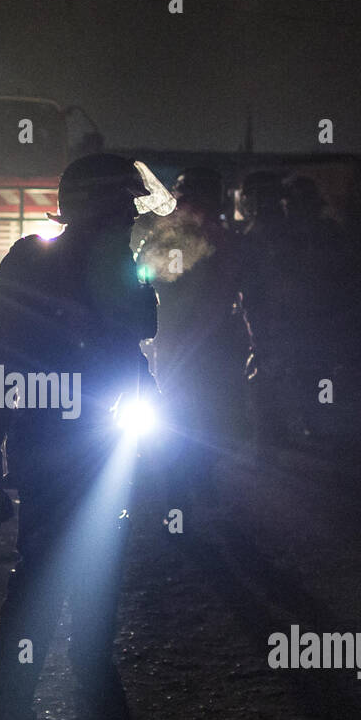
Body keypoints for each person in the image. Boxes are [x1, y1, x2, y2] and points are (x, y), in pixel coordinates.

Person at [0, 153, 173, 720]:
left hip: (97, 457)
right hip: (59, 457)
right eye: (119, 210)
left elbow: (137, 346)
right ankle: (23, 713)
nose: (128, 224)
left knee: (84, 590)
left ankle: (67, 715)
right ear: (93, 207)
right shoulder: (41, 261)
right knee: (54, 583)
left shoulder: (106, 267)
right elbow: (0, 365)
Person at [138, 166, 255, 500]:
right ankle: (182, 483)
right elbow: (149, 276)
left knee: (210, 418)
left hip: (201, 341)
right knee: (188, 415)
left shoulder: (212, 238)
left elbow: (232, 284)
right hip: (188, 340)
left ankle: (187, 481)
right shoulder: (180, 238)